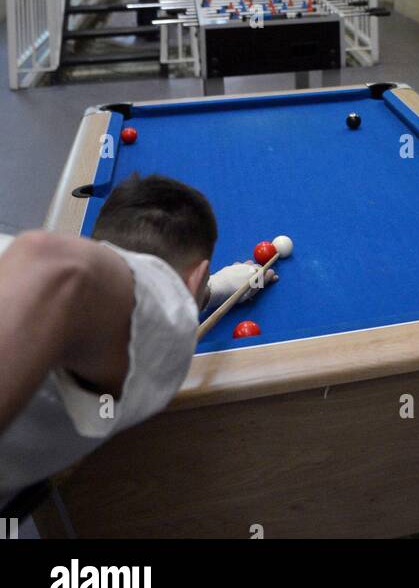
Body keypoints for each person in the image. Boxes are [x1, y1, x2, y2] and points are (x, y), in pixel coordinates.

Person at [0, 175, 257, 516]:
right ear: (196, 275)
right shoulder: (168, 320)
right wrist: (185, 299)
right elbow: (56, 265)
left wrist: (215, 287)